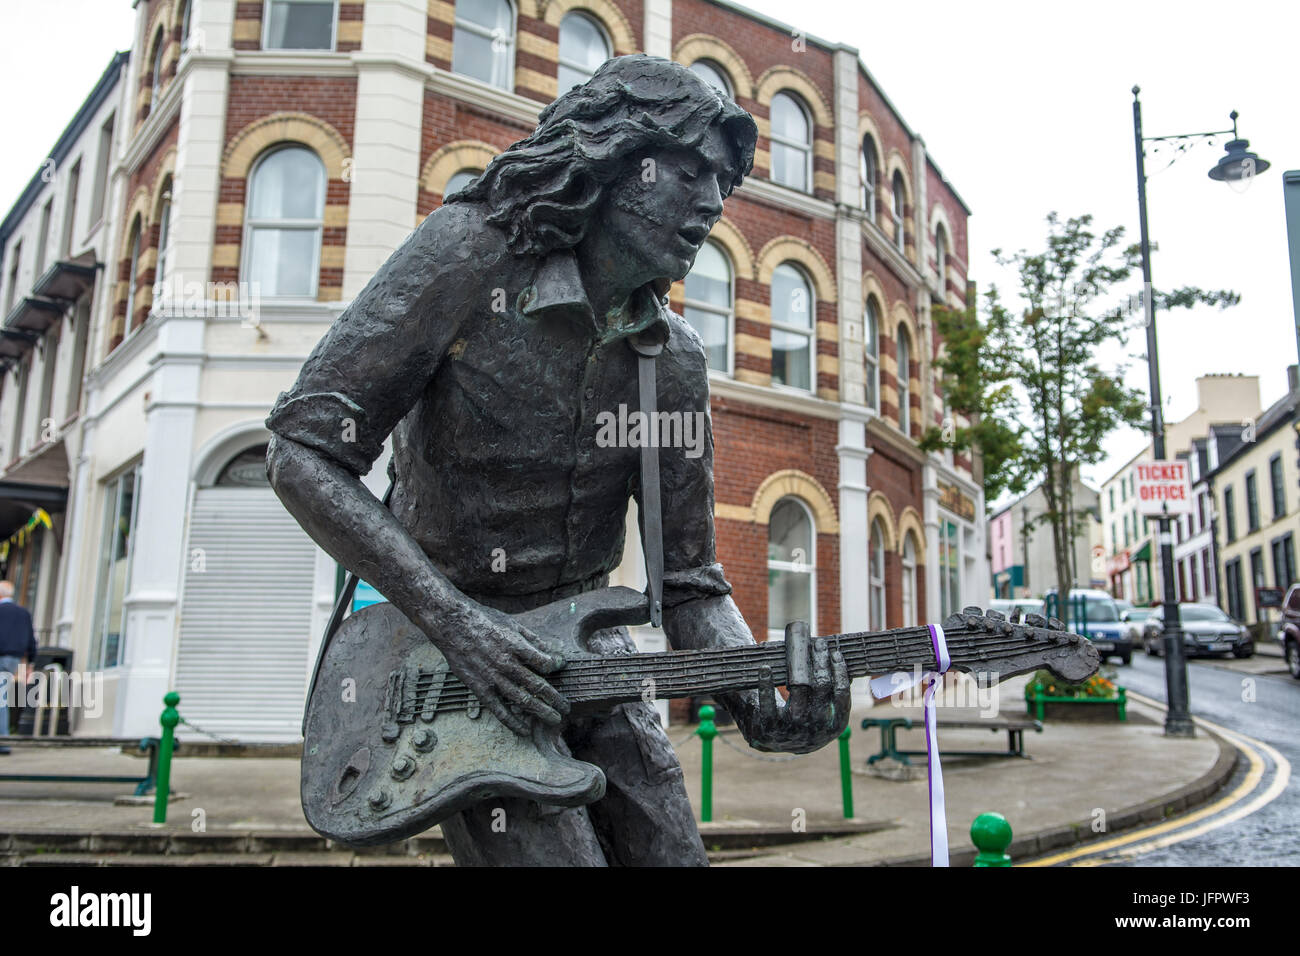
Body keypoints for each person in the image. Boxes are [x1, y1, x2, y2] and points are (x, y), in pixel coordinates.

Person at [266, 54, 849, 866]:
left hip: (590, 654)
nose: (713, 203)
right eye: (686, 171)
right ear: (613, 158)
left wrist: (764, 697)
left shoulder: (671, 362)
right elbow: (301, 452)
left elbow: (688, 586)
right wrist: (456, 622)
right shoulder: (468, 256)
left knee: (673, 854)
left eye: (722, 182)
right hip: (444, 653)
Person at [0, 579, 36, 753]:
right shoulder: (23, 613)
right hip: (13, 659)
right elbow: (31, 640)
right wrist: (30, 663)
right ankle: (4, 741)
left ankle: (4, 741)